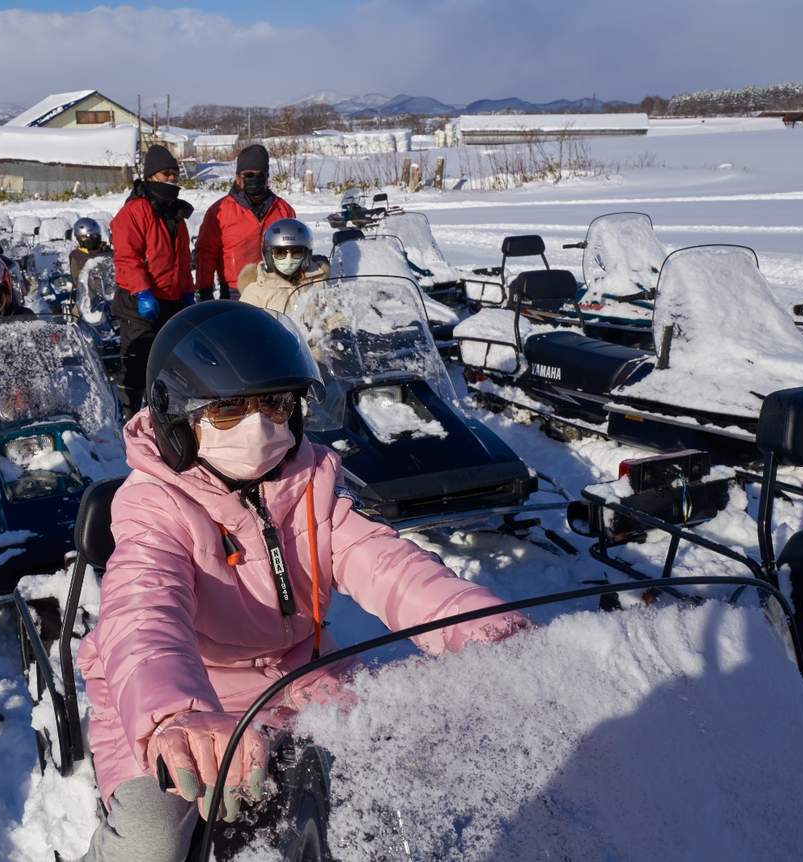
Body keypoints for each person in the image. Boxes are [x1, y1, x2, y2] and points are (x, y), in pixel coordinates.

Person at [76, 302, 528, 861]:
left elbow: (386, 564)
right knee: (150, 845)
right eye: (228, 410)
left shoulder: (311, 479)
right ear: (178, 420)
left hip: (300, 676)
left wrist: (477, 626)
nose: (259, 426)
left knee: (403, 785)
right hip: (183, 701)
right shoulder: (154, 506)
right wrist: (176, 714)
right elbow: (144, 615)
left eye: (275, 404)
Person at [109, 144, 195, 414]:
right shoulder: (135, 212)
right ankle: (129, 414)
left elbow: (182, 262)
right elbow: (127, 257)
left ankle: (163, 414)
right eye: (165, 173)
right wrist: (143, 292)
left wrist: (187, 291)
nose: (171, 178)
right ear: (150, 176)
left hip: (171, 302)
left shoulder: (176, 215)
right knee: (137, 365)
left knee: (168, 367)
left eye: (174, 173)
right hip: (139, 304)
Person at [194, 144, 295, 301]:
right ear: (238, 177)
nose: (255, 180)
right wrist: (204, 289)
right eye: (249, 175)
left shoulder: (283, 210)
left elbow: (295, 248)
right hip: (235, 291)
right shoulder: (220, 212)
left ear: (267, 177)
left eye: (260, 175)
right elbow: (206, 253)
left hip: (276, 288)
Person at [237, 219, 330, 315]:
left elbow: (331, 315)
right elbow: (245, 321)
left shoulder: (317, 282)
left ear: (306, 255)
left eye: (296, 252)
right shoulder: (256, 291)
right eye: (280, 253)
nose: (289, 259)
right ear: (269, 255)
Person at [68, 217, 112, 285]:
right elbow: (76, 280)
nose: (92, 239)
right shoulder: (76, 255)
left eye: (95, 236)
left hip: (111, 288)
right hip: (87, 289)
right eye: (85, 237)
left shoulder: (108, 251)